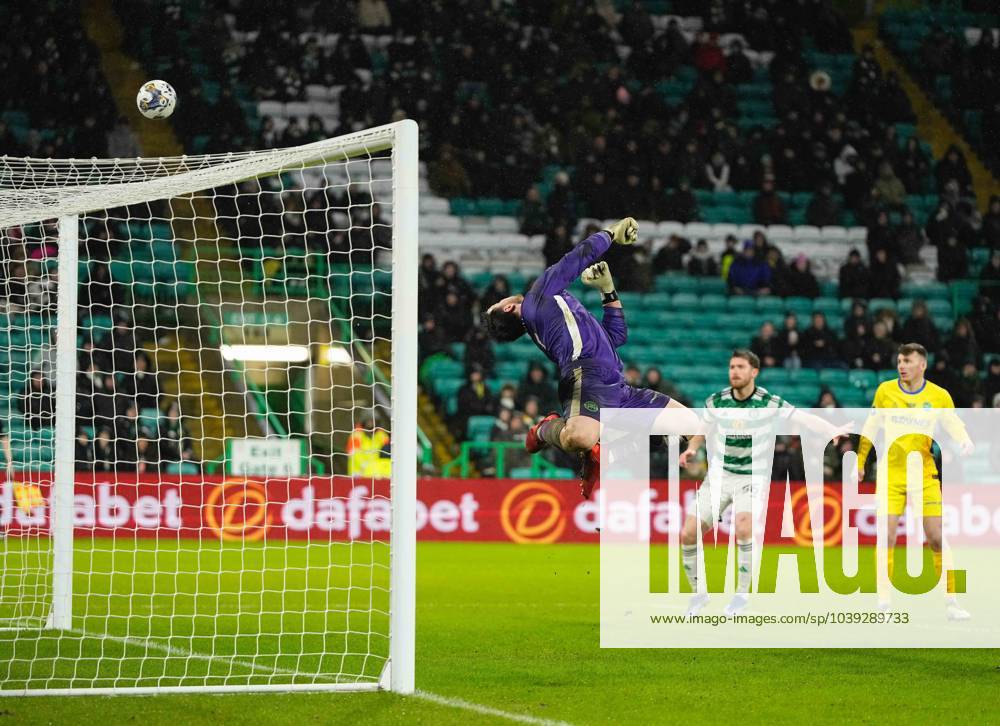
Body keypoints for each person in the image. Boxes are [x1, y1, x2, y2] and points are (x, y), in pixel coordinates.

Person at [482, 219, 690, 498]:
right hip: (586, 377)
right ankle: (546, 429)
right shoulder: (537, 297)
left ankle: (600, 448)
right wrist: (610, 234)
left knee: (692, 426)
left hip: (617, 385)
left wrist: (608, 291)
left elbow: (615, 338)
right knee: (579, 437)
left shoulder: (553, 319)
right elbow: (576, 258)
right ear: (508, 307)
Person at [677, 350, 848, 616]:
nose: (734, 371)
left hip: (752, 477)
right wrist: (692, 448)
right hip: (719, 477)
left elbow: (803, 417)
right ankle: (699, 595)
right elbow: (703, 431)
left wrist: (830, 430)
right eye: (732, 366)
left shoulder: (768, 402)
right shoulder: (716, 401)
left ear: (753, 372)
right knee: (688, 532)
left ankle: (741, 596)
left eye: (740, 367)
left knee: (744, 527)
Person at [856, 343, 973, 620]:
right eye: (899, 360)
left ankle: (951, 601)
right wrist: (860, 461)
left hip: (924, 474)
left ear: (922, 365)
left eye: (907, 361)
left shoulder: (939, 395)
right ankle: (884, 603)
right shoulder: (885, 391)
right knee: (887, 536)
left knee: (935, 537)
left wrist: (963, 440)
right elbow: (871, 426)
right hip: (891, 474)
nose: (901, 365)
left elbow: (953, 422)